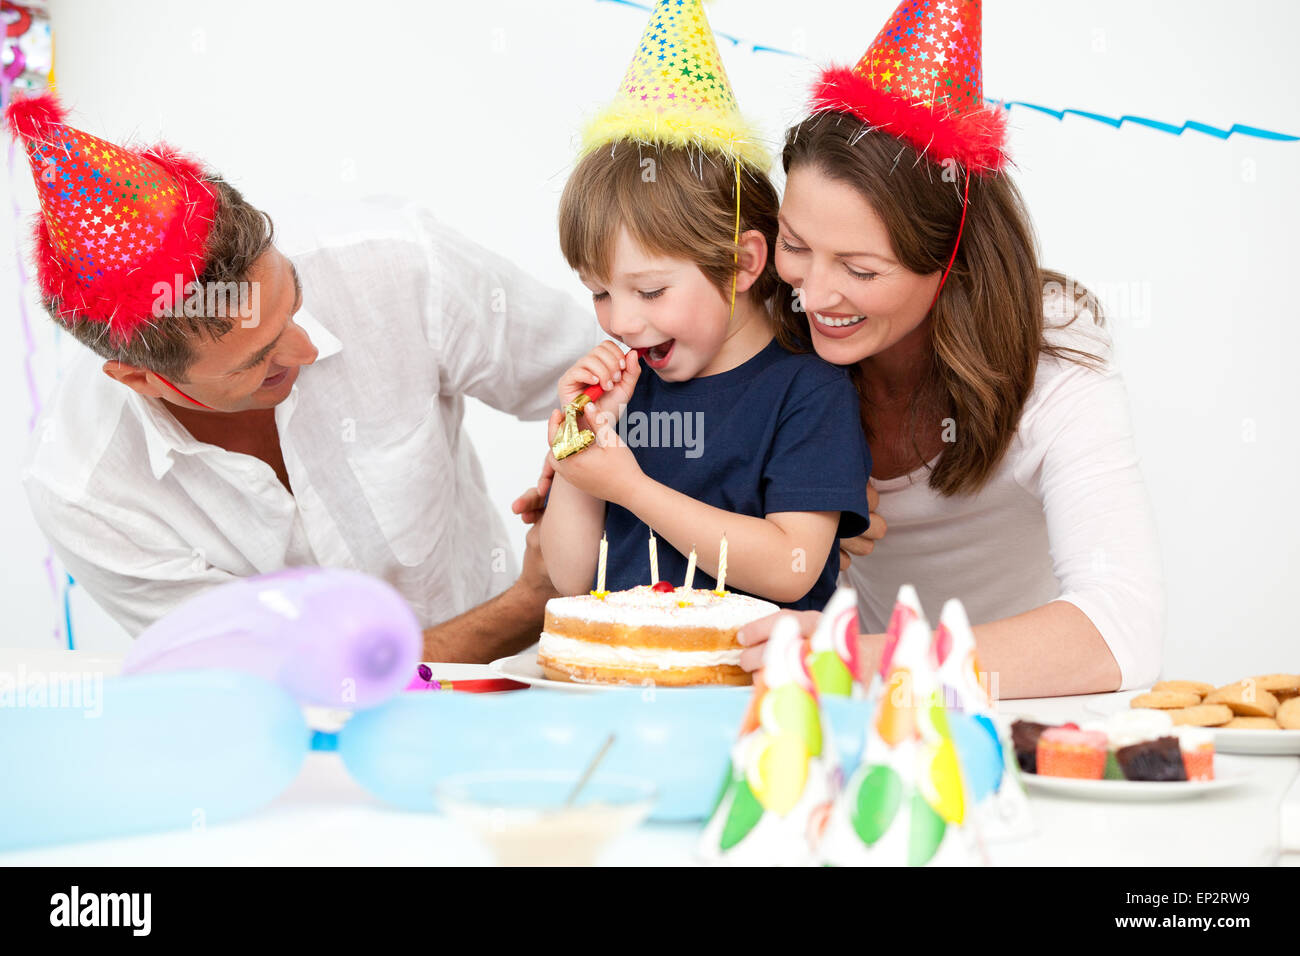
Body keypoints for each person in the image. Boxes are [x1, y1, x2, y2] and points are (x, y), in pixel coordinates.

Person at [7, 94, 596, 661]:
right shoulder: (83, 492)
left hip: (515, 690)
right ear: (143, 380)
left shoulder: (399, 265)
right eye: (257, 360)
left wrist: (580, 472)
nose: (307, 349)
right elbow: (285, 675)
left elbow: (614, 375)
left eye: (293, 302)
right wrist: (532, 599)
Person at [735, 0, 1164, 697]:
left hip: (1019, 717)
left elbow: (1121, 631)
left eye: (861, 270)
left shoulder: (1054, 357)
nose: (812, 294)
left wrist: (856, 658)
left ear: (953, 264)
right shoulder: (770, 336)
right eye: (796, 245)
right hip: (860, 726)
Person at [538, 0, 871, 609]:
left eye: (651, 291)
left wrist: (631, 488)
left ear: (741, 263)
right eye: (600, 293)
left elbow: (791, 568)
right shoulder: (625, 392)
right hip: (628, 660)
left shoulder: (809, 391)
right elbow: (568, 575)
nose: (621, 322)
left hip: (757, 669)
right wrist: (580, 446)